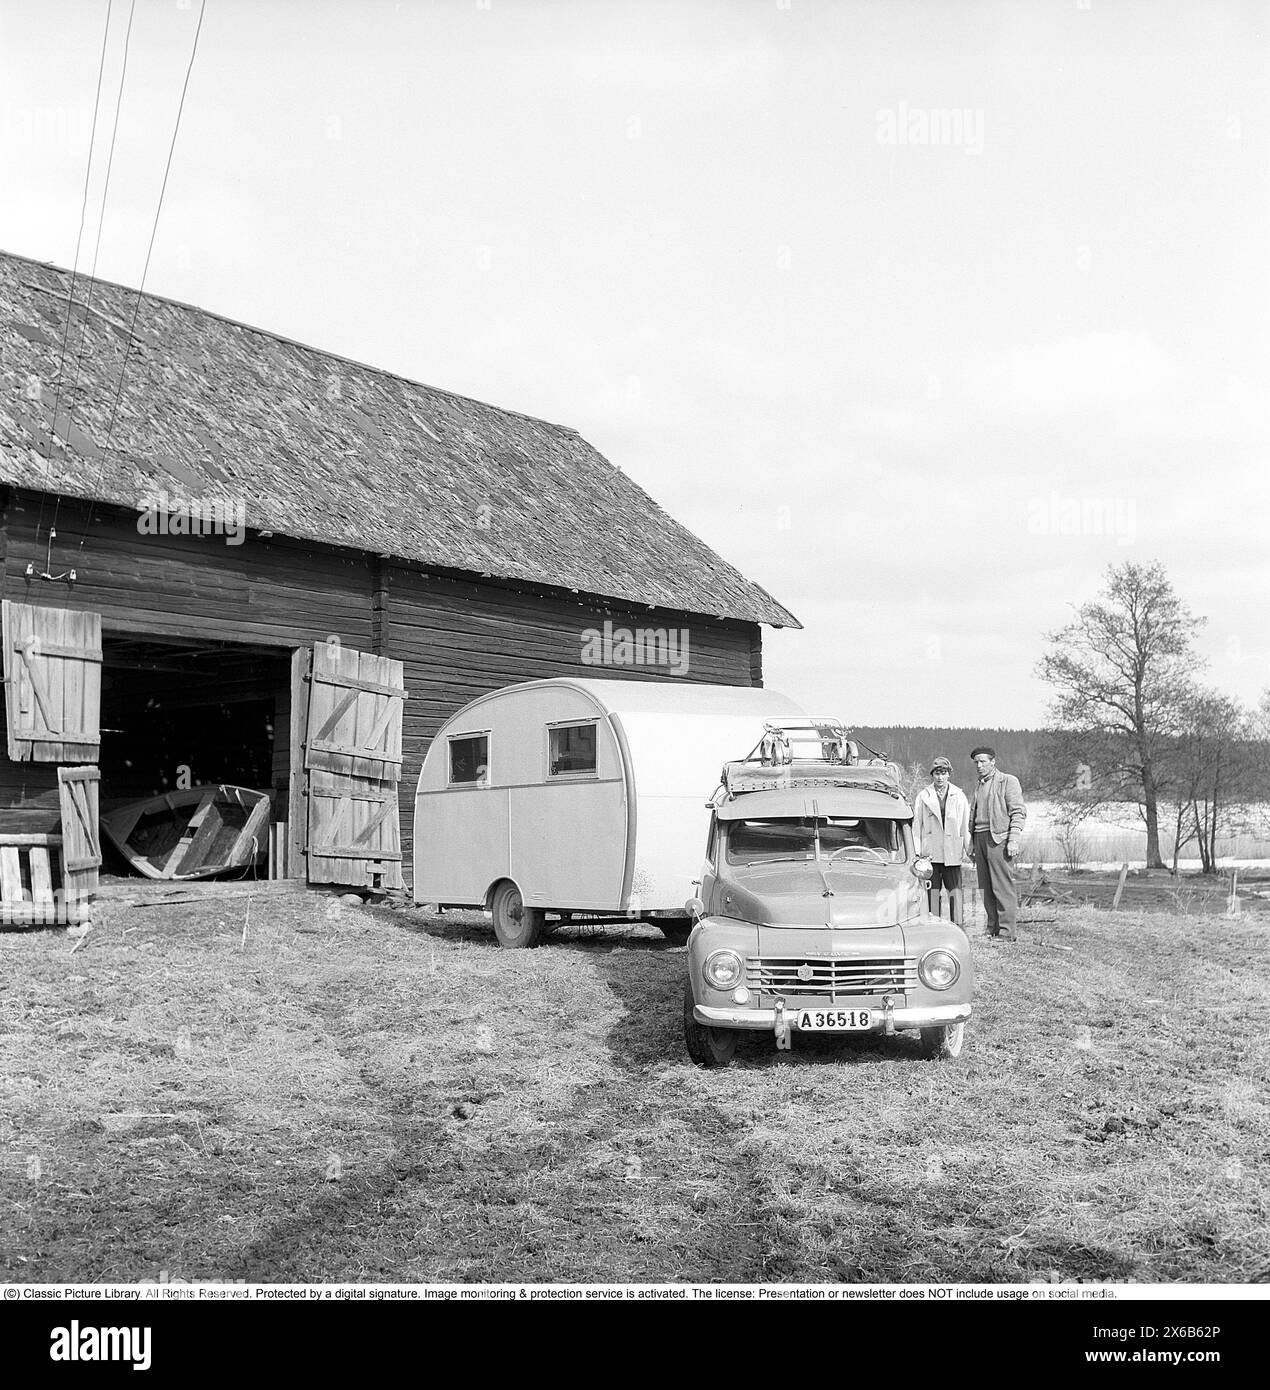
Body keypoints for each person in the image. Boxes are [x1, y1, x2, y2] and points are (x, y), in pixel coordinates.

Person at [967, 746, 1026, 939]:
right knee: (986, 887)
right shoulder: (979, 785)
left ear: (993, 761)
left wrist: (1013, 839)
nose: (979, 765)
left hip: (999, 839)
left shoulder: (1007, 781)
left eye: (983, 761)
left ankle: (1007, 932)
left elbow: (1018, 812)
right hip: (980, 837)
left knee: (1002, 886)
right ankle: (992, 928)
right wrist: (972, 842)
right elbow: (974, 817)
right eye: (976, 762)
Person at [912, 756, 971, 925]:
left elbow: (964, 825)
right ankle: (934, 926)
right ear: (932, 775)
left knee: (955, 892)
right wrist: (916, 853)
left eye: (943, 773)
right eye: (937, 773)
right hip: (930, 854)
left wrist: (969, 849)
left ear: (949, 775)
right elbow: (917, 826)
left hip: (952, 852)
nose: (940, 777)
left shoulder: (958, 796)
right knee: (932, 893)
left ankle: (958, 927)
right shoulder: (923, 796)